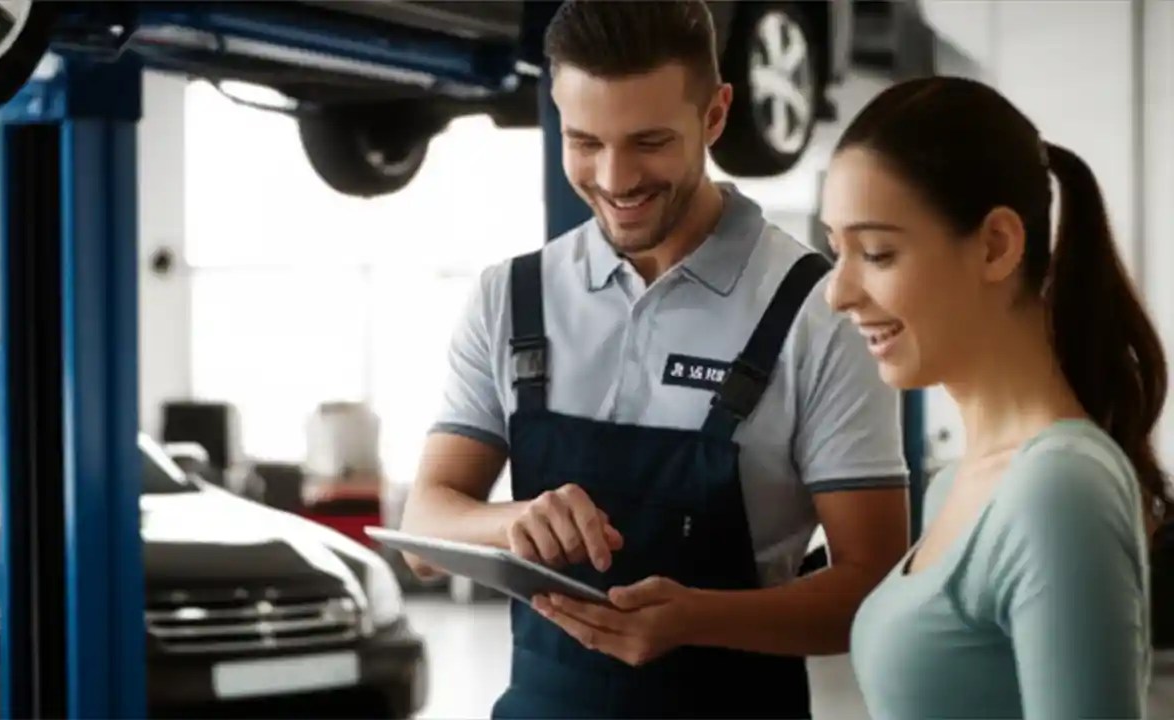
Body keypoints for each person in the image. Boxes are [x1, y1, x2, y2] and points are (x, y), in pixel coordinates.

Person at [398, 2, 911, 717]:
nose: (615, 179)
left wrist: (696, 619)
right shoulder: (509, 300)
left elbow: (876, 585)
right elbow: (423, 530)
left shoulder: (818, 314)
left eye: (649, 141)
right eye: (583, 141)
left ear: (716, 114)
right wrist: (511, 522)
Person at [821, 75, 1166, 719]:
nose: (837, 292)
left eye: (876, 252)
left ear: (996, 245)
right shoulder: (957, 486)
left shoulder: (1059, 488)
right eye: (836, 249)